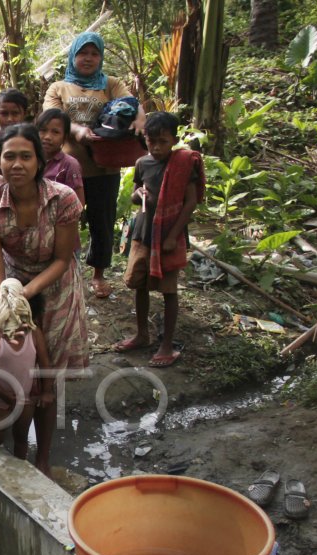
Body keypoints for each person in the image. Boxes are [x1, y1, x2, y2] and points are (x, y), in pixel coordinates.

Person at [0, 123, 88, 476]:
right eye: (10, 156)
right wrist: (3, 306)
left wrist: (27, 293)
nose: (17, 164)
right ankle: (10, 443)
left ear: (39, 161)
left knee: (45, 377)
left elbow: (61, 259)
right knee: (7, 369)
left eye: (26, 156)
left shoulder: (63, 199)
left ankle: (44, 456)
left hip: (55, 289)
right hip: (9, 284)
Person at [43, 31, 145, 299]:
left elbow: (133, 104)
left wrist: (140, 119)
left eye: (94, 53)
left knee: (102, 221)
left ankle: (98, 275)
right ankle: (60, 270)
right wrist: (75, 130)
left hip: (104, 167)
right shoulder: (58, 87)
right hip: (64, 169)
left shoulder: (110, 83)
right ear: (73, 55)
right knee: (62, 221)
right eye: (82, 53)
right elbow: (51, 119)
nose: (88, 59)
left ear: (100, 57)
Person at [114, 111, 204, 368]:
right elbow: (135, 194)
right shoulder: (143, 164)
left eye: (162, 141)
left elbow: (190, 202)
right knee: (139, 285)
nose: (155, 147)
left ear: (174, 140)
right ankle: (142, 334)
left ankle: (167, 344)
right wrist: (138, 193)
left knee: (168, 290)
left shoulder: (183, 164)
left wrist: (173, 235)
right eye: (150, 141)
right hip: (143, 233)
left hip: (168, 236)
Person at [0, 278, 53, 468]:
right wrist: (3, 394)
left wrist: (47, 391)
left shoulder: (34, 334)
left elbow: (45, 364)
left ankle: (20, 470)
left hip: (24, 400)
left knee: (21, 438)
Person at [35, 108, 85, 207]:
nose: (48, 137)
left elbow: (79, 203)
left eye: (55, 132)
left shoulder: (69, 164)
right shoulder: (30, 160)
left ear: (65, 137)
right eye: (43, 130)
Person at [0, 89, 28, 171]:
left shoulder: (31, 141)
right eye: (4, 113)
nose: (10, 119)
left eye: (15, 113)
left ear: (24, 114)